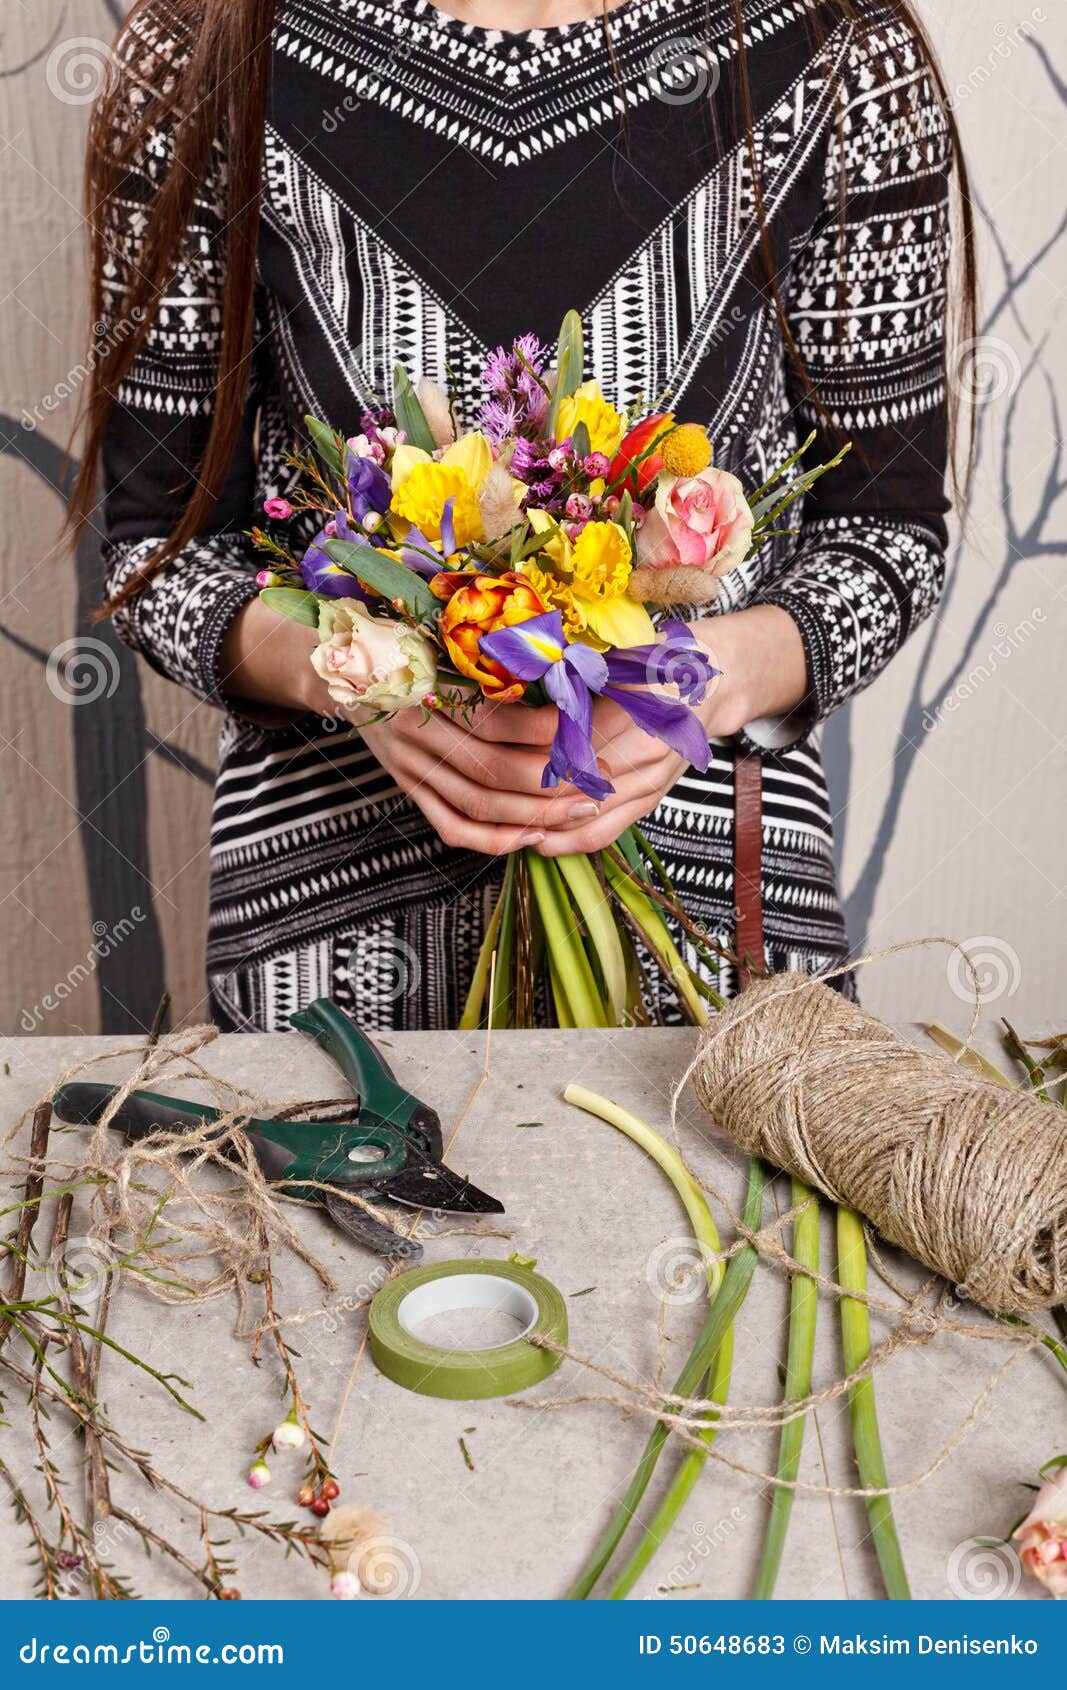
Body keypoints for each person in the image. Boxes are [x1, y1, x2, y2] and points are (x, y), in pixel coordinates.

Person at [72, 0, 975, 1030]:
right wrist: (356, 676)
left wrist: (698, 685)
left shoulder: (838, 50)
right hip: (327, 957)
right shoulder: (203, 47)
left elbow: (886, 532)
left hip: (720, 950)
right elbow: (159, 546)